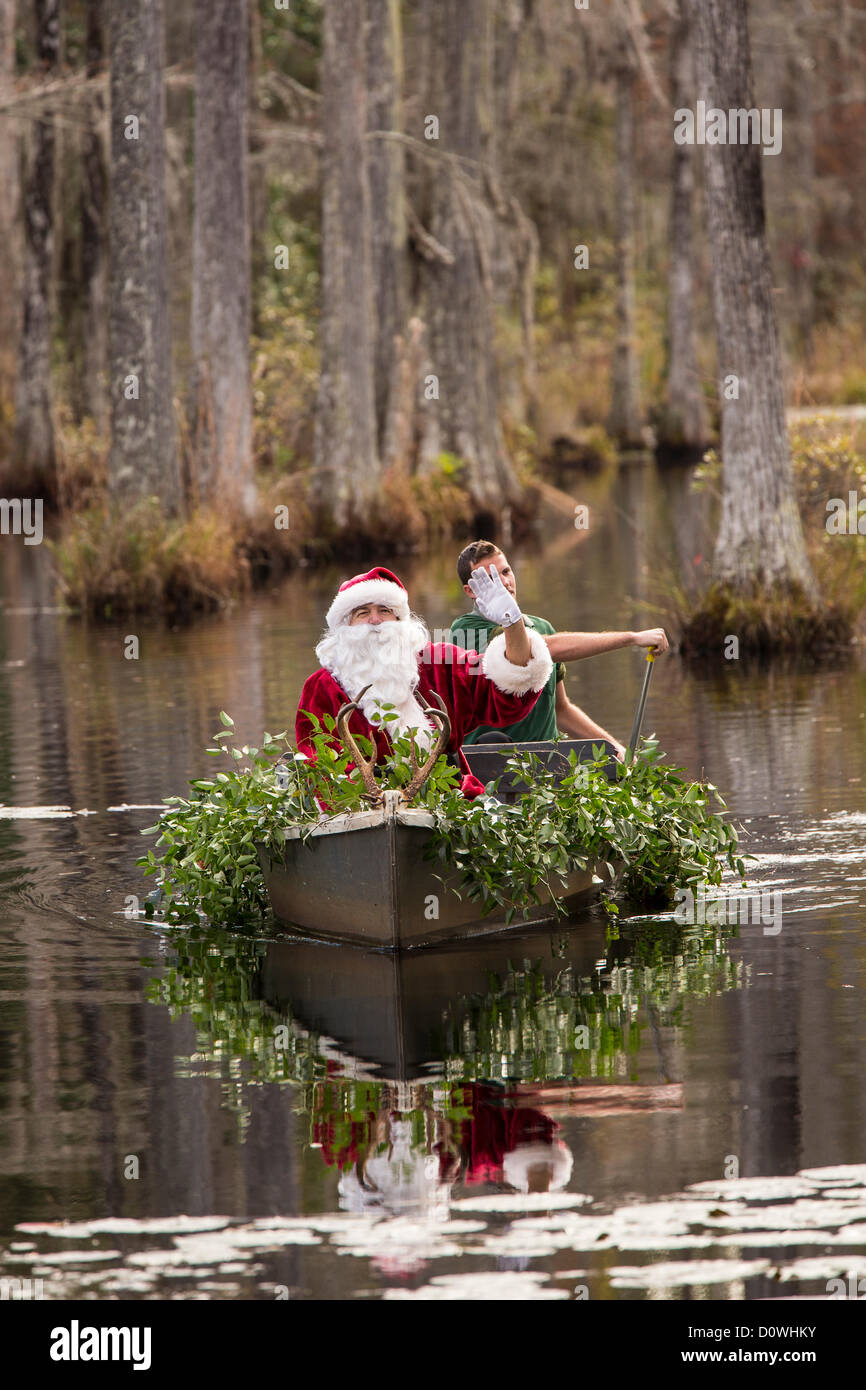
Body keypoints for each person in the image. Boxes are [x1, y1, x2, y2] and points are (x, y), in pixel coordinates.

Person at [295, 564, 554, 798]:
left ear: (399, 620)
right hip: (362, 811)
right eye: (362, 613)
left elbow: (509, 688)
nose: (374, 621)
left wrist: (512, 623)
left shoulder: (440, 664)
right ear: (345, 626)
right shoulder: (322, 687)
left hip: (451, 805)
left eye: (384, 610)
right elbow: (320, 764)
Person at [450, 540, 670, 759]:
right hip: (490, 771)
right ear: (471, 591)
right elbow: (534, 648)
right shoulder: (466, 631)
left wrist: (614, 749)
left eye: (506, 571)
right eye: (492, 579)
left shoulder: (542, 627)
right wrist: (631, 638)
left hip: (549, 771)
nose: (505, 583)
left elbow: (561, 710)